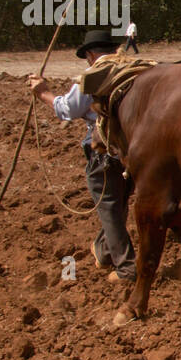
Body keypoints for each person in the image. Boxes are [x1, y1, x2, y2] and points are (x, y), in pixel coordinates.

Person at [27, 30, 136, 284]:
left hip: (104, 152)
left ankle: (127, 268)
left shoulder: (93, 75)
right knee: (118, 202)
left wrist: (43, 92)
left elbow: (69, 109)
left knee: (109, 206)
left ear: (89, 55)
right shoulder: (132, 70)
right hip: (132, 150)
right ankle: (104, 249)